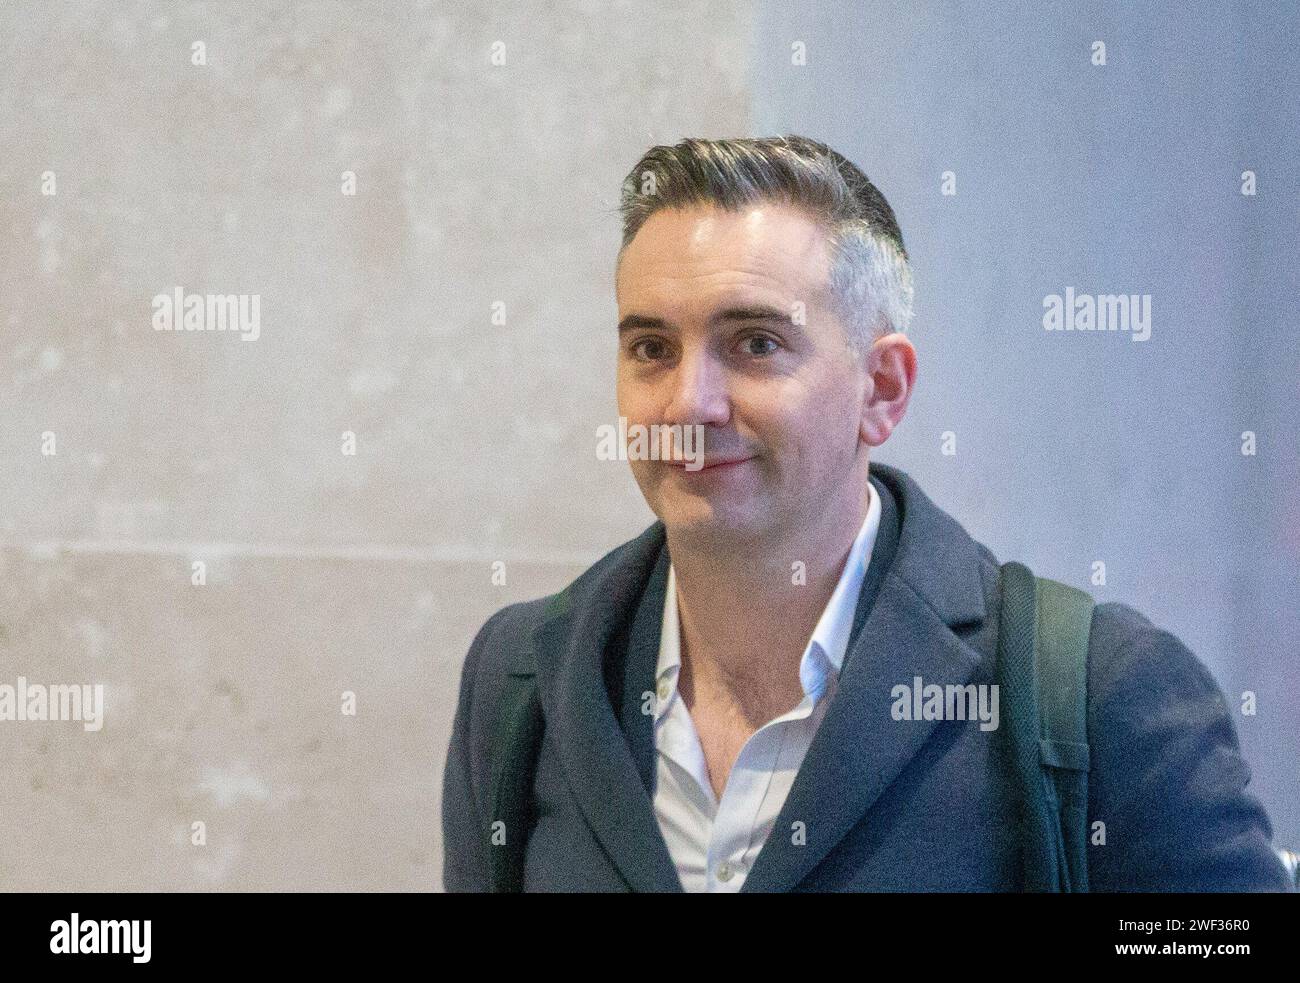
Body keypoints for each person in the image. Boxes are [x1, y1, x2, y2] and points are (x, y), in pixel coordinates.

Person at [441, 135, 1290, 892]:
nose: (688, 403)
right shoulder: (523, 680)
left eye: (756, 344)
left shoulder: (1102, 695)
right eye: (652, 348)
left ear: (880, 391)